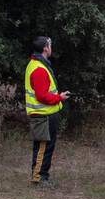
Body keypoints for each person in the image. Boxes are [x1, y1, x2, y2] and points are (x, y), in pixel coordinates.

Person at [24, 36, 71, 186]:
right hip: (43, 115)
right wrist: (60, 97)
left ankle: (42, 176)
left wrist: (57, 97)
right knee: (43, 147)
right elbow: (42, 96)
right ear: (45, 48)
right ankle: (39, 178)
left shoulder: (38, 64)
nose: (51, 47)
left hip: (46, 114)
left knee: (45, 147)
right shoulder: (39, 69)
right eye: (50, 45)